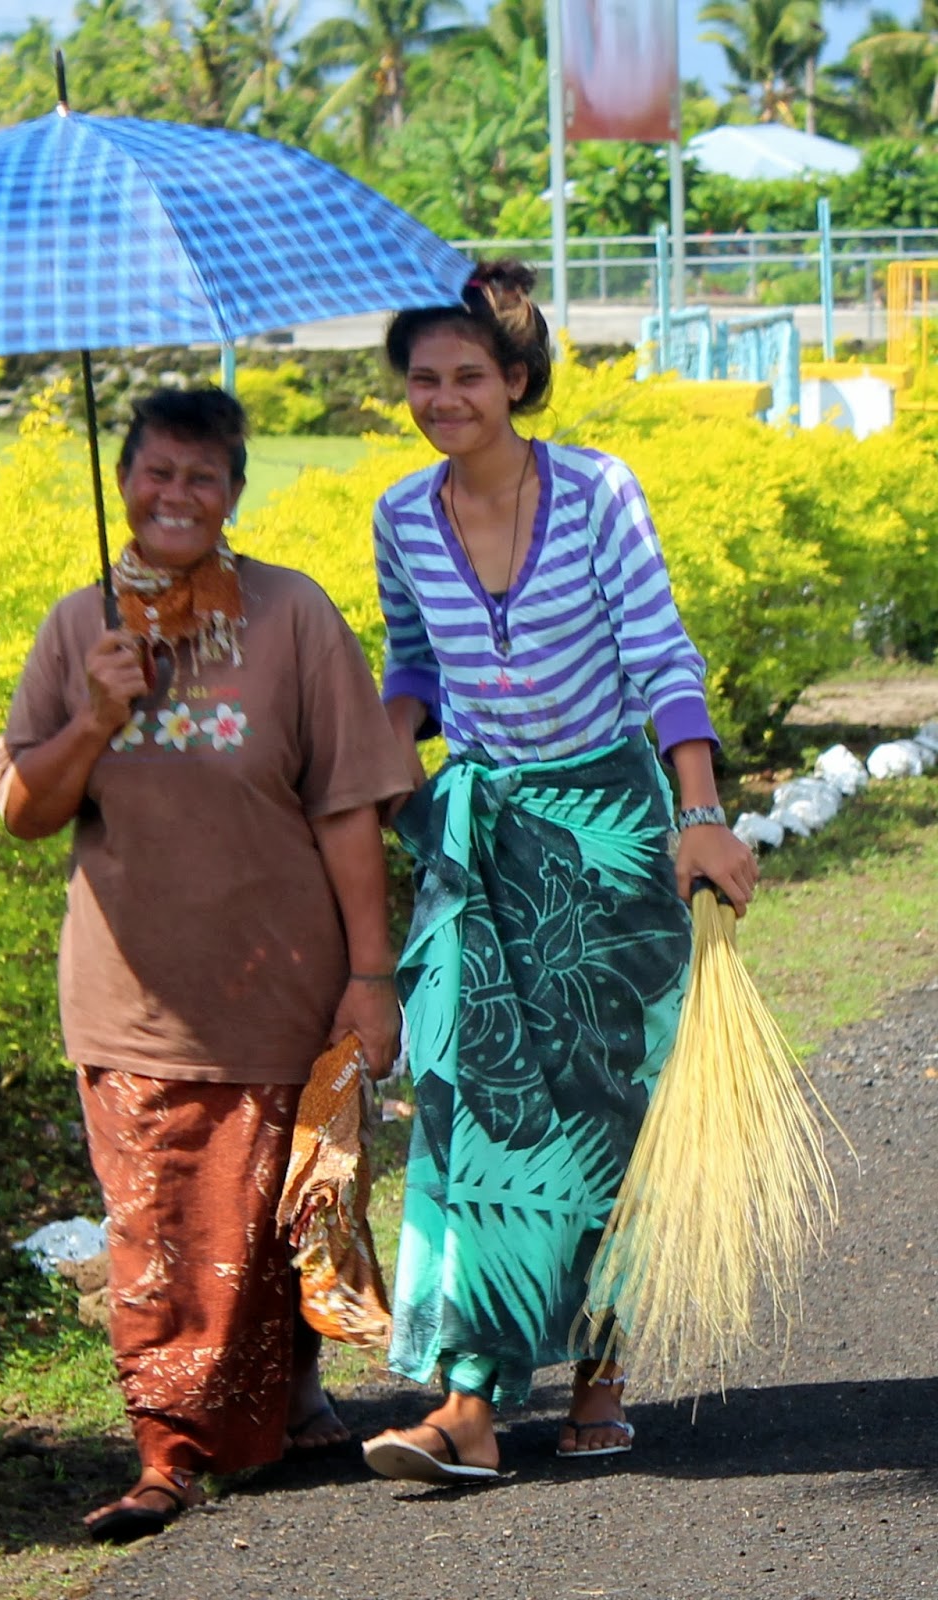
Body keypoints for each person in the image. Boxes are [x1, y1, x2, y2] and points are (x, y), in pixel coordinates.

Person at [0, 387, 411, 1541]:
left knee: (275, 1220)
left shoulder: (293, 617)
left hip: (279, 981)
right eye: (156, 474)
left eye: (201, 478)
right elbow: (24, 810)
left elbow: (344, 808)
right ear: (122, 481)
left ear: (232, 493)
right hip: (132, 996)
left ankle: (275, 1409)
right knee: (158, 1230)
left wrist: (369, 976)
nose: (176, 496)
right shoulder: (80, 629)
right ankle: (166, 1454)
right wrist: (90, 718)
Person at [360, 260, 759, 1482]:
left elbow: (659, 654)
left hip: (613, 838)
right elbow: (414, 661)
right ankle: (468, 1395)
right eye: (421, 380)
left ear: (516, 380)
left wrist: (699, 810)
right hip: (480, 841)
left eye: (466, 375)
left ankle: (599, 1369)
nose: (442, 398)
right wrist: (378, 753)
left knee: (604, 1109)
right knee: (468, 1095)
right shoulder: (397, 514)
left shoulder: (595, 490)